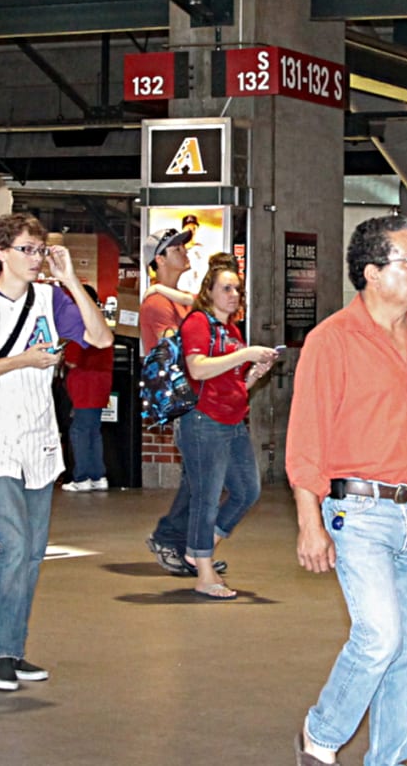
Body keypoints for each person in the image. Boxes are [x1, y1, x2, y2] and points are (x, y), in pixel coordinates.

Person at [287, 215, 407, 766]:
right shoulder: (332, 342)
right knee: (379, 638)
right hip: (356, 512)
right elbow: (306, 439)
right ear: (372, 273)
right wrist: (310, 522)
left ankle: (387, 760)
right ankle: (320, 737)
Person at [0, 213, 111, 692]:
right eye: (27, 250)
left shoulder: (49, 299)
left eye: (40, 250)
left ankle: (14, 650)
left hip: (40, 437)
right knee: (14, 546)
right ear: (1, 252)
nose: (35, 259)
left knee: (33, 552)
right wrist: (22, 360)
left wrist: (70, 282)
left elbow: (99, 338)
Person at [163, 260, 276, 599]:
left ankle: (199, 547)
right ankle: (204, 571)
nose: (233, 294)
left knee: (246, 490)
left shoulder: (231, 331)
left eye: (237, 289)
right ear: (208, 292)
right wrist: (245, 354)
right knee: (206, 497)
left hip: (232, 419)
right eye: (226, 288)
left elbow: (234, 381)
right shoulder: (198, 323)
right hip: (202, 420)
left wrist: (255, 370)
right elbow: (197, 369)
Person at [141, 227, 207, 576]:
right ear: (160, 259)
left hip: (198, 397)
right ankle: (171, 539)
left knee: (200, 477)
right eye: (175, 248)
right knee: (200, 477)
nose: (184, 251)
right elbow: (177, 350)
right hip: (185, 400)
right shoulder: (157, 305)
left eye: (184, 245)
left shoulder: (172, 298)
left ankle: (188, 546)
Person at [60, 284, 114, 492]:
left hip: (85, 384)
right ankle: (98, 475)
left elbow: (73, 359)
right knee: (93, 430)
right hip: (102, 382)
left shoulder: (80, 322)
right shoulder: (101, 322)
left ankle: (81, 477)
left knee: (80, 430)